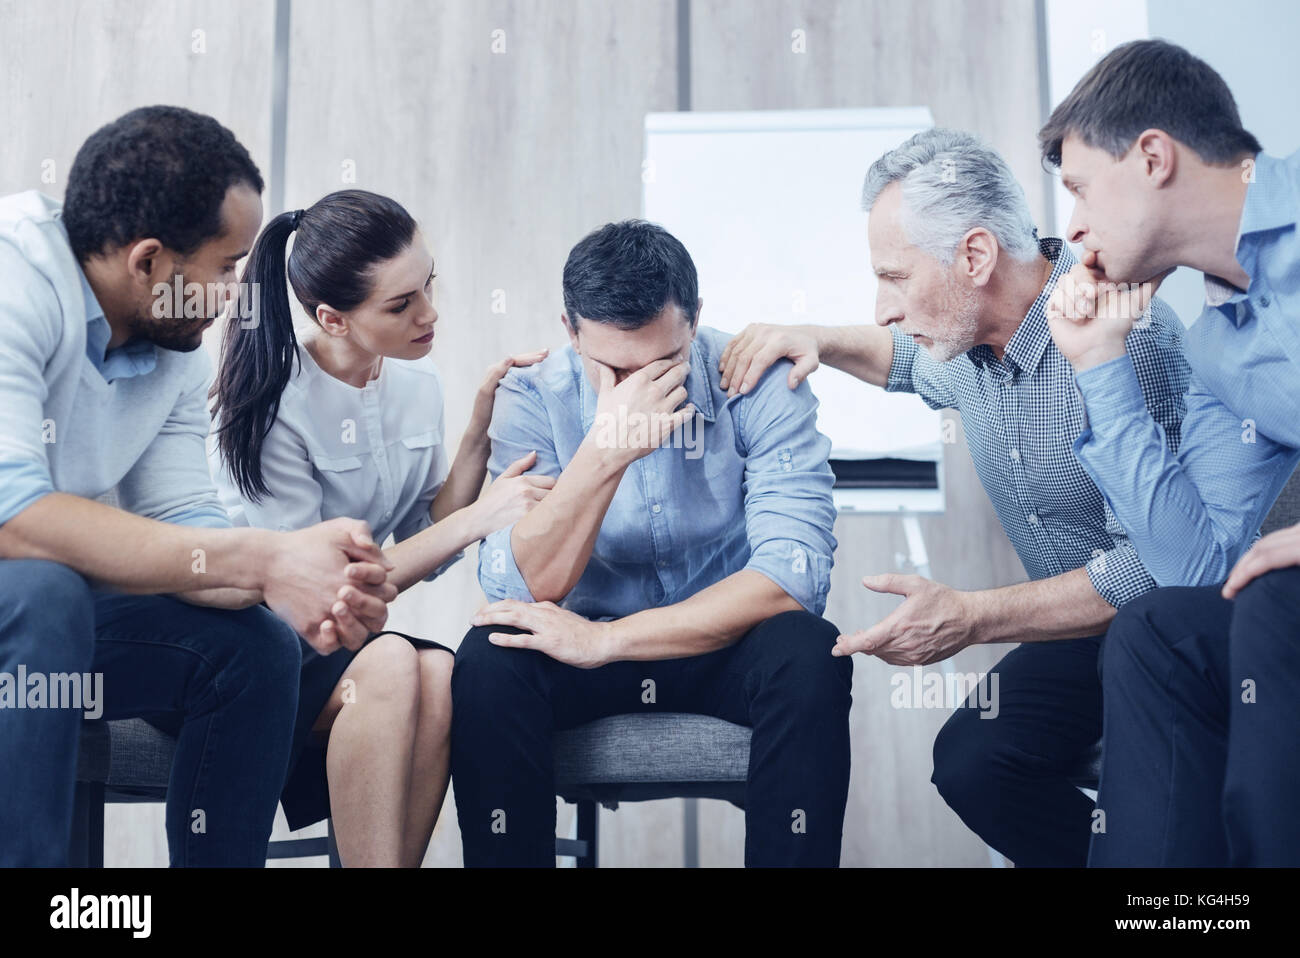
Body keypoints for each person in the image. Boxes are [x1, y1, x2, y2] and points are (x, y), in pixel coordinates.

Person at [719, 128, 1190, 866]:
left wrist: (973, 616)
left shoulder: (1127, 341)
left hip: (1169, 630)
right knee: (974, 763)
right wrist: (813, 337)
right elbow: (901, 360)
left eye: (896, 278)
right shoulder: (971, 340)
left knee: (1148, 801)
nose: (883, 307)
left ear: (975, 257)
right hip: (1080, 634)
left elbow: (1158, 568)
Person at [0, 106, 394, 867]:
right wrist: (258, 559)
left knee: (251, 647)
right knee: (44, 591)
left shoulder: (170, 341)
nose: (238, 294)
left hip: (52, 621)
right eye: (227, 266)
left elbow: (188, 527)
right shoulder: (15, 282)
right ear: (147, 260)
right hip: (30, 608)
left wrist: (298, 576)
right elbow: (13, 519)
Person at [451, 219, 852, 867]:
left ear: (695, 322)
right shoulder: (533, 394)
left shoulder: (763, 383)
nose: (638, 390)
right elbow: (518, 587)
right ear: (570, 331)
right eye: (612, 368)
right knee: (489, 658)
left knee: (810, 651)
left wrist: (607, 641)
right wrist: (605, 453)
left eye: (661, 365)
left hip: (720, 642)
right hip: (581, 649)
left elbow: (792, 578)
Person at [208, 189, 554, 867]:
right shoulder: (270, 406)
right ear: (334, 319)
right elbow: (325, 587)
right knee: (395, 660)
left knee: (437, 667)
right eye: (401, 305)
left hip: (340, 643)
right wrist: (485, 516)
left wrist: (478, 436)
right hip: (256, 645)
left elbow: (433, 534)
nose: (430, 314)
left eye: (427, 286)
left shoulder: (413, 387)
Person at [1039, 39, 1300, 866]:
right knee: (1159, 628)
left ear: (1152, 156)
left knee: (1275, 600)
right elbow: (1202, 570)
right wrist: (1099, 363)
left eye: (1080, 188)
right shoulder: (1216, 351)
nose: (1072, 225)